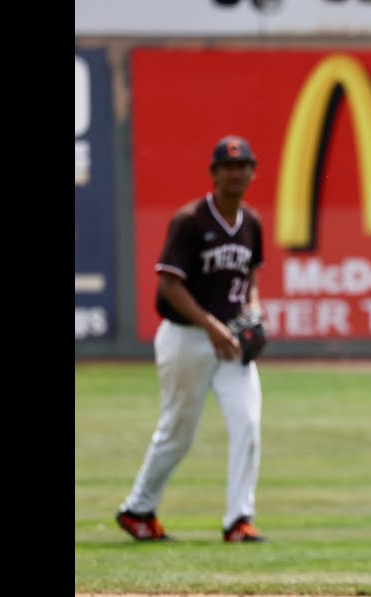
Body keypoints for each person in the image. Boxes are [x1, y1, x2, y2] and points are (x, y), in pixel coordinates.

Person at [115, 134, 268, 544]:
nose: (236, 172)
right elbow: (169, 285)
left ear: (252, 172)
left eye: (243, 166)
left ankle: (239, 520)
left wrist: (254, 307)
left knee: (248, 423)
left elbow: (249, 275)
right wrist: (210, 324)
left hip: (232, 339)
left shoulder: (251, 222)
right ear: (214, 173)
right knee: (178, 430)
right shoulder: (190, 221)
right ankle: (138, 509)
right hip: (186, 338)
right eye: (228, 166)